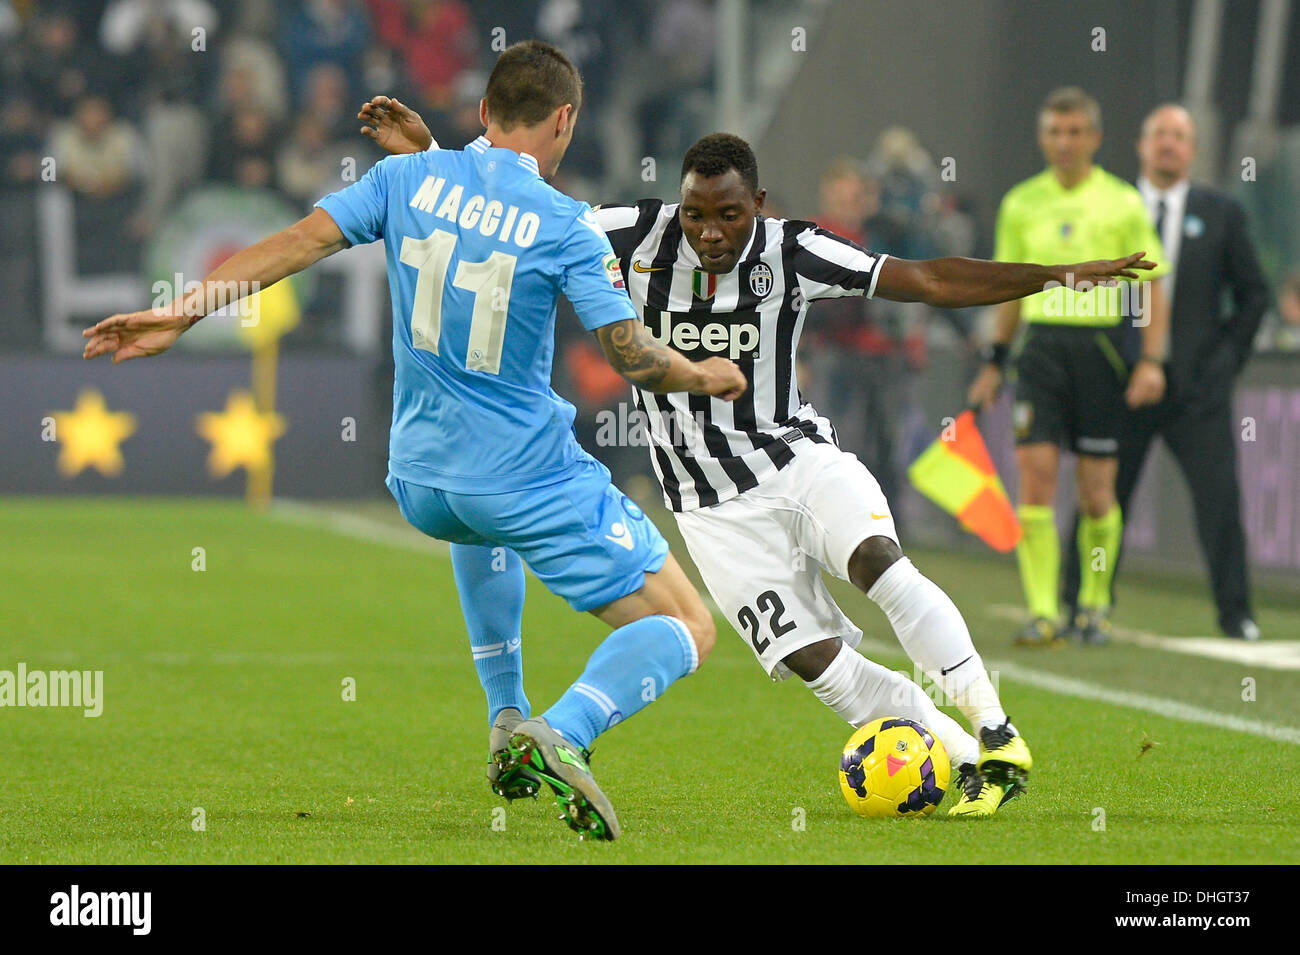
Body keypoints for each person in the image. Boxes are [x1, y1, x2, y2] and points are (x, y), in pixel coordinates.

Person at [362, 99, 1158, 816]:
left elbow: (928, 278)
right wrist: (433, 148)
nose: (710, 232)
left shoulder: (797, 251)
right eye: (697, 213)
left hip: (797, 462)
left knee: (879, 561)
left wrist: (1055, 277)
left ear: (759, 208)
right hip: (709, 512)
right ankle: (956, 759)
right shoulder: (630, 236)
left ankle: (998, 732)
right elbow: (509, 213)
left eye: (729, 215)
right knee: (822, 664)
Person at [82, 40, 747, 842]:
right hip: (524, 474)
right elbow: (631, 358)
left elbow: (297, 242)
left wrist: (182, 311)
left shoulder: (405, 177)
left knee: (479, 523)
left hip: (424, 482)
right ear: (565, 120)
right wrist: (705, 374)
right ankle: (564, 730)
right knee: (688, 626)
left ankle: (506, 717)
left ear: (482, 113)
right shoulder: (567, 224)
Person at [966, 87, 1171, 647]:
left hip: (1101, 350)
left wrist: (1150, 358)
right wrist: (994, 359)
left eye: (1075, 131)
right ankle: (1042, 612)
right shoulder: (1021, 203)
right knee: (1034, 480)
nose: (1064, 142)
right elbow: (1010, 289)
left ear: (1095, 138)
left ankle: (1095, 605)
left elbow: (1150, 287)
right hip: (1041, 351)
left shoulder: (1124, 202)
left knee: (1097, 491)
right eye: (1055, 131)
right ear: (1042, 137)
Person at [1062, 105, 1270, 639]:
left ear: (1193, 149)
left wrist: (1223, 364)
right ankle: (1078, 605)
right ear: (1140, 144)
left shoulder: (1220, 212)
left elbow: (1254, 295)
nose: (1169, 145)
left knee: (1219, 500)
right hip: (1121, 384)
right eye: (1159, 135)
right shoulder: (1107, 207)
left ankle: (1236, 614)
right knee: (1102, 497)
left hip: (1196, 388)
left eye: (1180, 137)